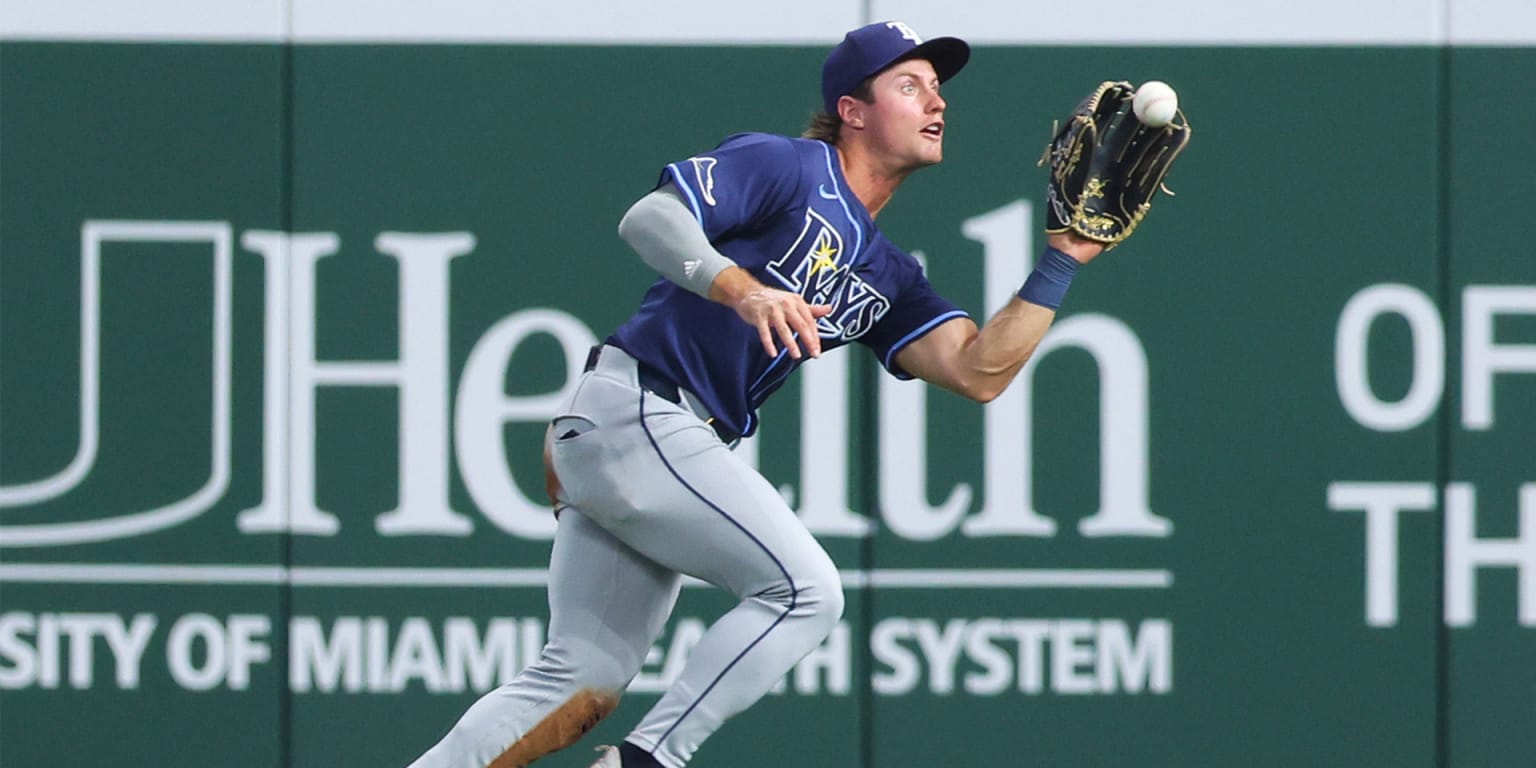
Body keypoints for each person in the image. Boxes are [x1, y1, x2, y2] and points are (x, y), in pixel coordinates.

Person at [408, 20, 1104, 768]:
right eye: (910, 86)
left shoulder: (890, 272)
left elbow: (977, 371)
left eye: (937, 89)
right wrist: (741, 289)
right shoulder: (791, 166)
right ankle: (649, 760)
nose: (936, 102)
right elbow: (649, 217)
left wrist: (1061, 260)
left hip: (645, 436)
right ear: (853, 109)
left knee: (582, 677)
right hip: (640, 409)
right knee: (806, 592)